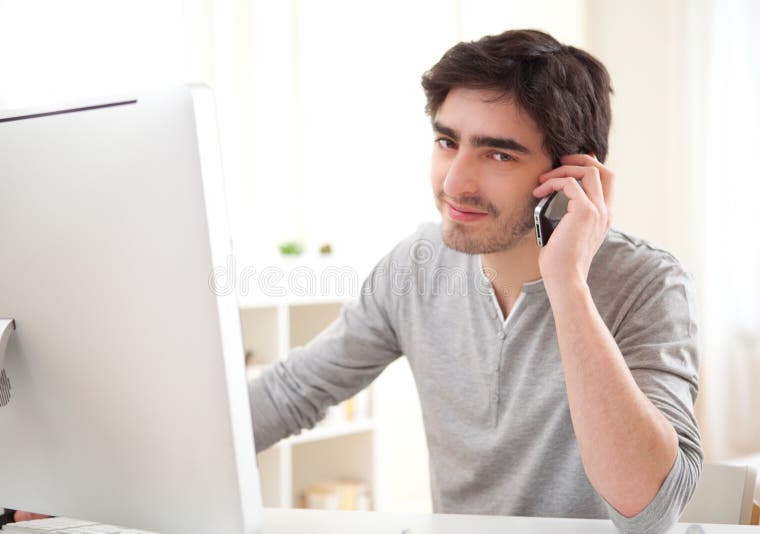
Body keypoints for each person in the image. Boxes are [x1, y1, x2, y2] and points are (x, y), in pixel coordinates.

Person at [248, 29, 702, 534]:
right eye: (447, 142)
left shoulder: (649, 282)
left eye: (498, 154)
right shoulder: (416, 265)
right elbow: (292, 393)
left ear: (570, 176)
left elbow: (651, 512)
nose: (453, 183)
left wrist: (568, 284)